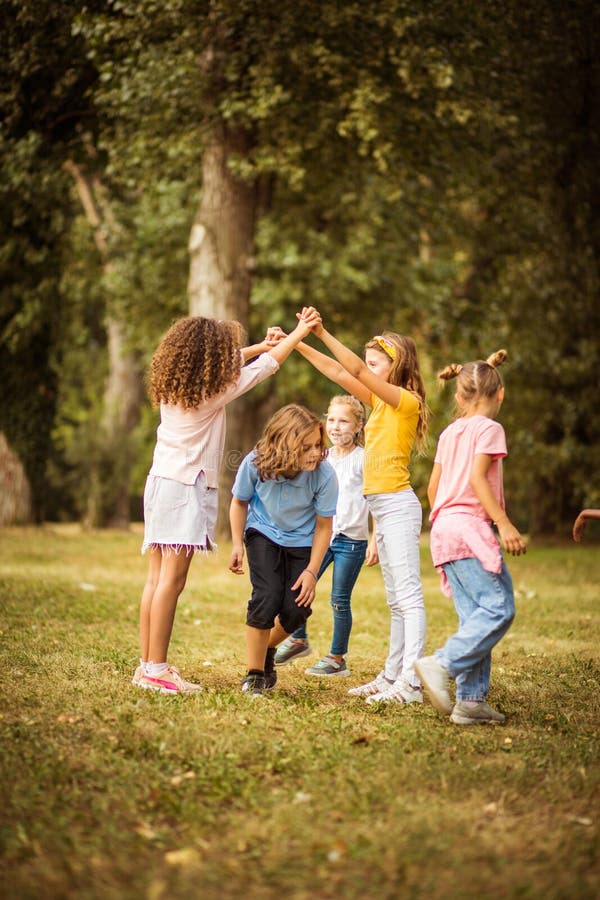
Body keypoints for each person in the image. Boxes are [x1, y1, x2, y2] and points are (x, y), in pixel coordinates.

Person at [133, 309, 321, 694]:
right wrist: (298, 333)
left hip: (160, 483)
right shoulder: (211, 391)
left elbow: (239, 361)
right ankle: (157, 669)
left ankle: (147, 665)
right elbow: (266, 367)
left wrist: (260, 344)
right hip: (186, 487)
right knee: (172, 580)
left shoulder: (177, 384)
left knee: (155, 580)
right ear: (211, 359)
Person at [292, 315, 429, 706]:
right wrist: (298, 342)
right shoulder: (378, 402)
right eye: (367, 364)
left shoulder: (405, 401)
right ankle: (391, 675)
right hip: (383, 509)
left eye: (374, 364)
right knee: (395, 600)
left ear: (395, 367)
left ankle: (412, 684)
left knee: (409, 598)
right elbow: (338, 370)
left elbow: (349, 366)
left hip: (399, 506)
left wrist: (320, 332)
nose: (365, 370)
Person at [415, 349, 527, 725]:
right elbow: (479, 479)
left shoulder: (450, 432)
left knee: (475, 619)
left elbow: (434, 486)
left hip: (443, 528)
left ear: (459, 398)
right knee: (499, 609)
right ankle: (441, 664)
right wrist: (504, 522)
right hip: (468, 528)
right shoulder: (491, 429)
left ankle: (470, 702)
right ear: (502, 394)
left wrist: (444, 519)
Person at [229, 403, 339, 695]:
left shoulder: (324, 475)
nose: (316, 452)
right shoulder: (256, 463)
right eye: (307, 447)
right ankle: (254, 674)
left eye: (318, 444)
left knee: (296, 610)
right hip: (263, 532)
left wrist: (312, 572)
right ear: (286, 444)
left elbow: (324, 527)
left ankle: (264, 649)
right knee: (266, 597)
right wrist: (236, 543)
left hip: (302, 541)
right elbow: (239, 502)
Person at [274, 395, 376, 676]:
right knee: (300, 588)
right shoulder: (321, 457)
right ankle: (297, 639)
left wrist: (375, 539)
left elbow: (376, 501)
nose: (336, 426)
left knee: (339, 599)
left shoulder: (363, 459)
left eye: (344, 421)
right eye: (331, 420)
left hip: (351, 541)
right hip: (321, 537)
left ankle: (336, 658)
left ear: (358, 426)